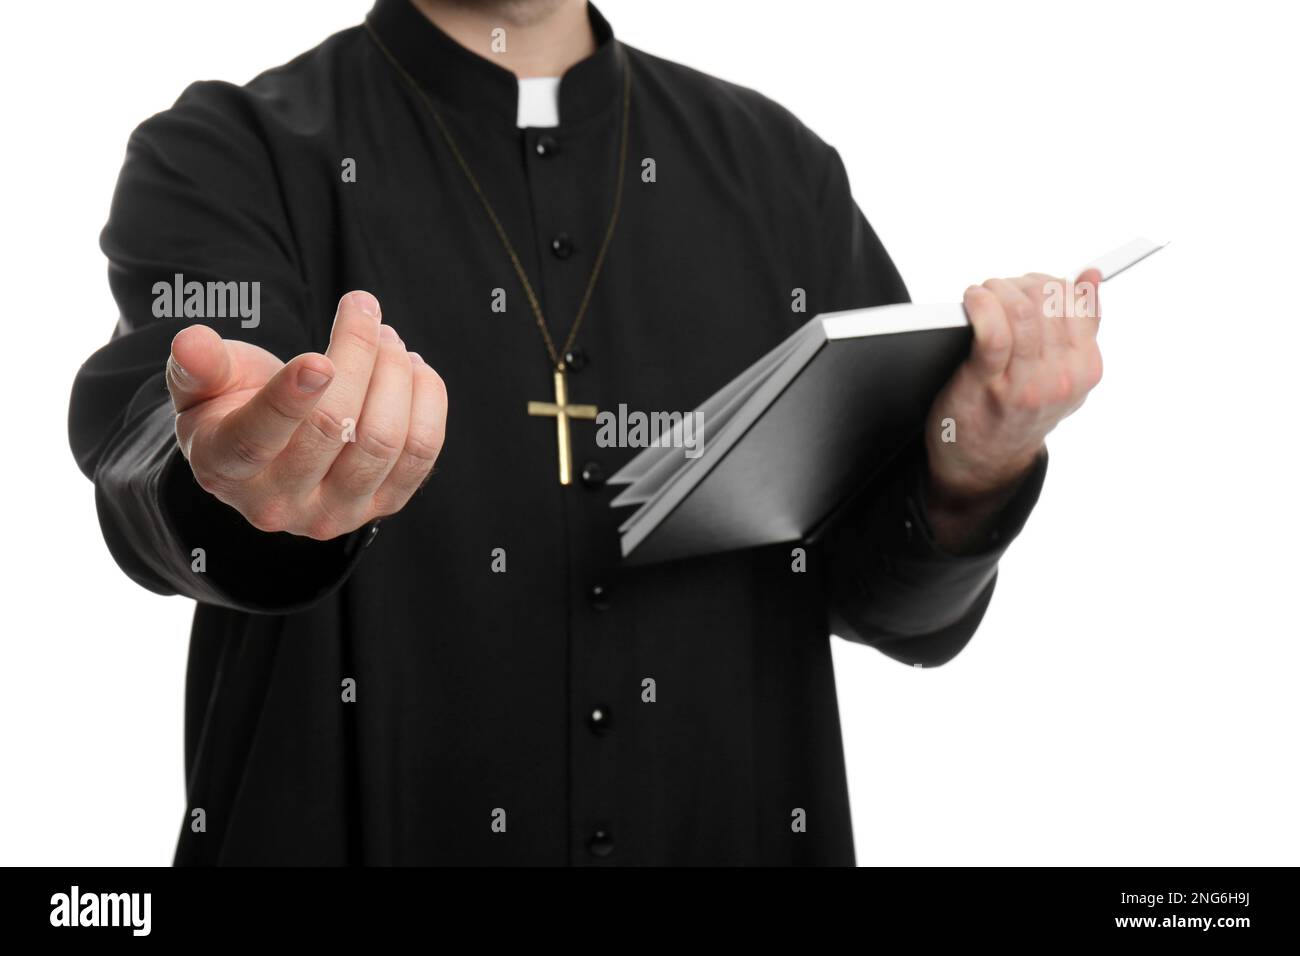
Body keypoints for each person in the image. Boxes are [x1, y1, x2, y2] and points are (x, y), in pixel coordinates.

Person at [68, 0, 1102, 865]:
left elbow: (893, 602)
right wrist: (233, 466)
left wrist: (976, 464)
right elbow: (151, 446)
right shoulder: (230, 150)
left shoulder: (780, 174)